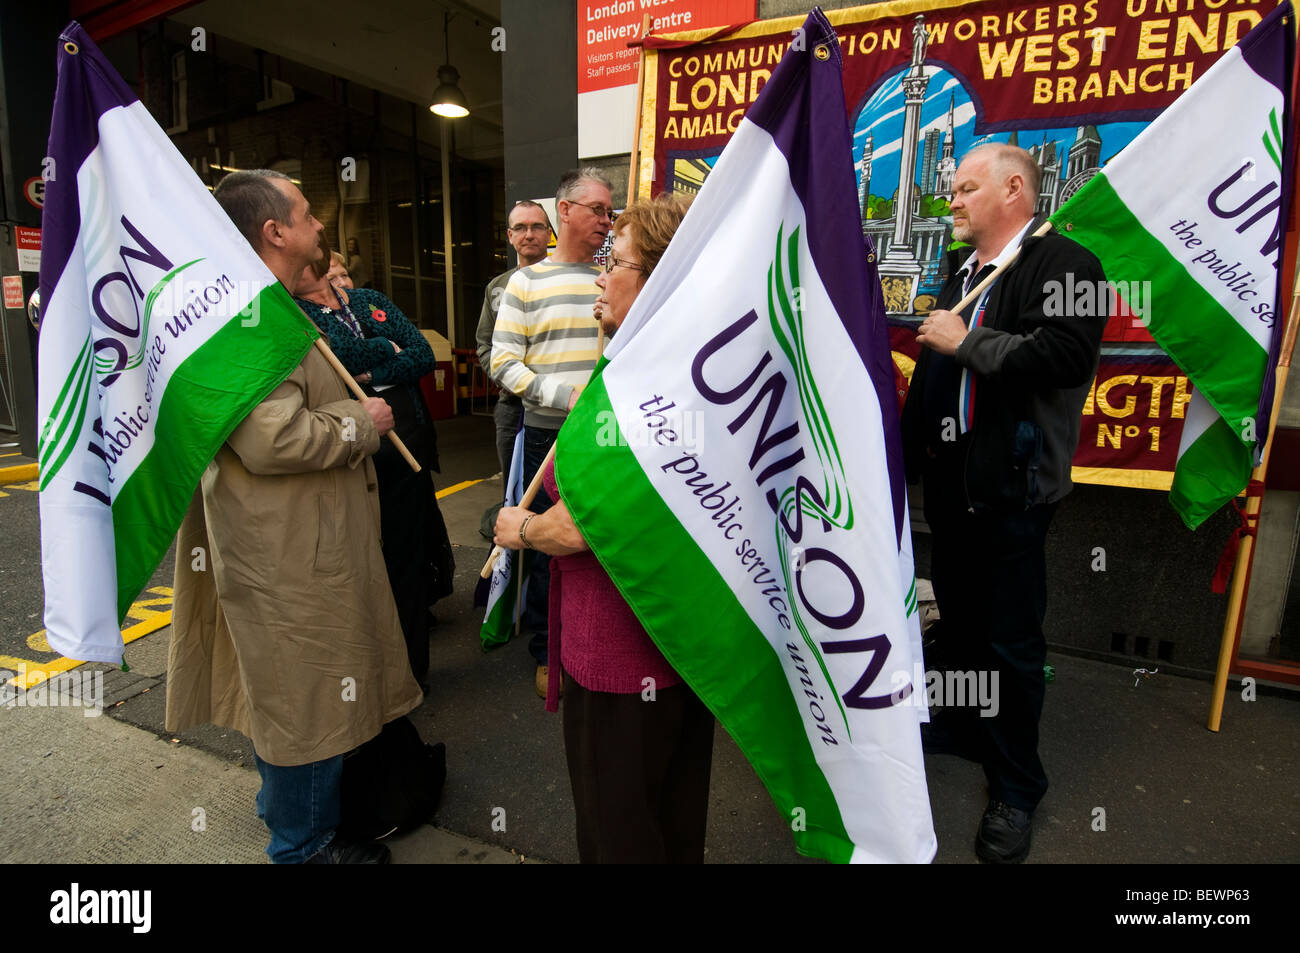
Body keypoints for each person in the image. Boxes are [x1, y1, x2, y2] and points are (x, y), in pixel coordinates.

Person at [166, 169, 423, 864]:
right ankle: (304, 844)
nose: (319, 227)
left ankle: (290, 811)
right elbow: (271, 436)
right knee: (303, 694)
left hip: (292, 541)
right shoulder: (252, 319)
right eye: (307, 215)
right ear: (274, 231)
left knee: (296, 687)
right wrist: (360, 420)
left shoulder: (261, 307)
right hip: (286, 552)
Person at [900, 144, 1106, 864]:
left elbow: (1064, 357)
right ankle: (962, 724)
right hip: (952, 487)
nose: (949, 201)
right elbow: (935, 377)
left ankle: (1018, 785)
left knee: (1012, 641)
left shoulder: (1066, 265)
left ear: (1014, 189)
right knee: (958, 619)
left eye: (963, 189)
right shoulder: (963, 271)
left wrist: (968, 340)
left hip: (1013, 492)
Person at [494, 195, 713, 863]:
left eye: (614, 262)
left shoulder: (648, 384)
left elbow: (583, 526)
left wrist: (521, 529)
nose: (598, 274)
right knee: (669, 805)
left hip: (621, 648)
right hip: (673, 642)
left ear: (658, 281)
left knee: (619, 820)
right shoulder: (676, 365)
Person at [294, 234, 454, 689]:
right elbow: (339, 358)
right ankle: (373, 674)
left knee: (410, 552)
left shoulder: (367, 299)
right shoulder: (296, 314)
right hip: (355, 450)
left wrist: (376, 365)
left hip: (409, 443)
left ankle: (412, 667)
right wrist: (387, 348)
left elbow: (422, 354)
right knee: (367, 561)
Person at [491, 170, 611, 697]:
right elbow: (503, 363)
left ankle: (600, 646)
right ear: (565, 211)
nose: (607, 221)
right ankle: (549, 653)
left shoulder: (616, 277)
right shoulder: (525, 282)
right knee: (546, 547)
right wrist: (565, 397)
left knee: (601, 540)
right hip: (547, 435)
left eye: (611, 213)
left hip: (608, 436)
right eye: (598, 210)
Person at [476, 200, 553, 481]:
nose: (528, 234)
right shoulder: (497, 287)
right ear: (510, 236)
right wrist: (508, 379)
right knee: (513, 488)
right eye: (520, 228)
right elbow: (484, 345)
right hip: (511, 406)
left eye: (536, 227)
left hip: (554, 406)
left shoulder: (567, 278)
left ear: (549, 233)